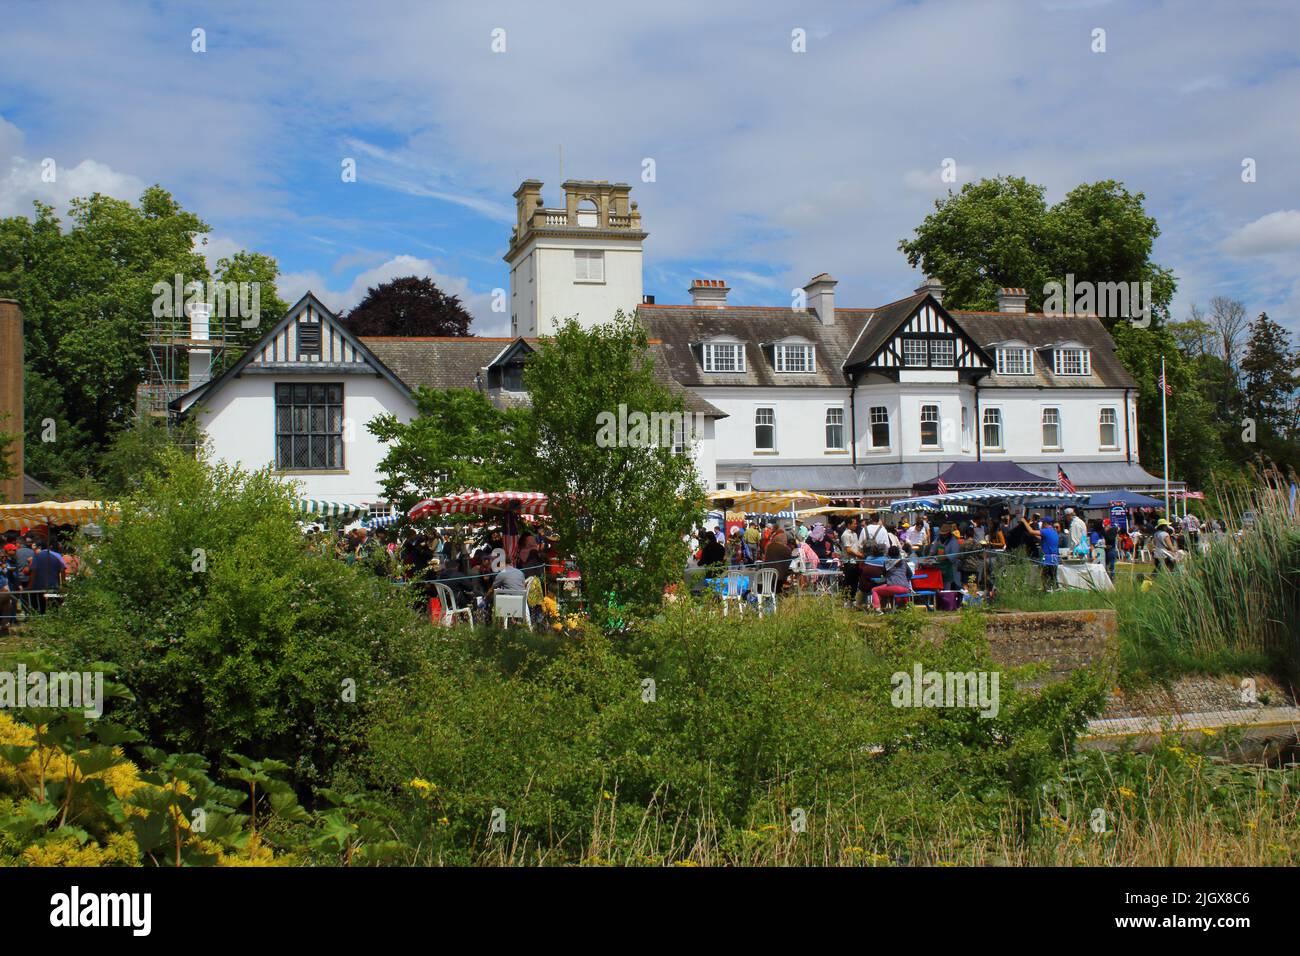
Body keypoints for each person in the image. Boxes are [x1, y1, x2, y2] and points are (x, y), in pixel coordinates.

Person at [869, 546, 913, 612]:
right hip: (906, 588)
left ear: (889, 554)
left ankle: (877, 609)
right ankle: (894, 609)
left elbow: (884, 575)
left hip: (893, 587)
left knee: (874, 590)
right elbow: (910, 574)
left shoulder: (887, 563)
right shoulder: (903, 562)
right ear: (898, 554)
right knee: (890, 591)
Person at [27, 539, 66, 614]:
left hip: (39, 587)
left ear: (40, 548)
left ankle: (41, 620)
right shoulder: (57, 556)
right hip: (54, 586)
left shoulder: (37, 556)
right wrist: (63, 585)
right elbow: (62, 570)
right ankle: (54, 621)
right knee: (54, 607)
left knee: (41, 607)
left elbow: (33, 571)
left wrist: (30, 586)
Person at [927, 523, 961, 591]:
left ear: (948, 533)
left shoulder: (953, 541)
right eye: (942, 534)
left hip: (950, 567)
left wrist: (945, 557)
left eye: (944, 534)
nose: (943, 535)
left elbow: (955, 554)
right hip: (939, 566)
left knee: (948, 587)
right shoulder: (938, 539)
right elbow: (933, 550)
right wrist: (929, 557)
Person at [839, 517, 864, 602]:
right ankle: (845, 599)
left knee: (854, 582)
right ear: (849, 524)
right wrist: (860, 555)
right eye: (854, 523)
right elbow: (848, 549)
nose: (856, 525)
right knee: (848, 581)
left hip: (855, 561)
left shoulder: (855, 534)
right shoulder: (846, 535)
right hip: (849, 562)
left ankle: (852, 599)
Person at [1039, 518, 1061, 590]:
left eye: (1042, 523)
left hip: (1048, 559)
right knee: (1053, 576)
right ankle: (1055, 589)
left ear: (1045, 523)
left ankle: (1047, 590)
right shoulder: (1054, 533)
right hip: (1055, 559)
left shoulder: (1046, 531)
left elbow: (1031, 531)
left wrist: (1024, 521)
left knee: (1045, 575)